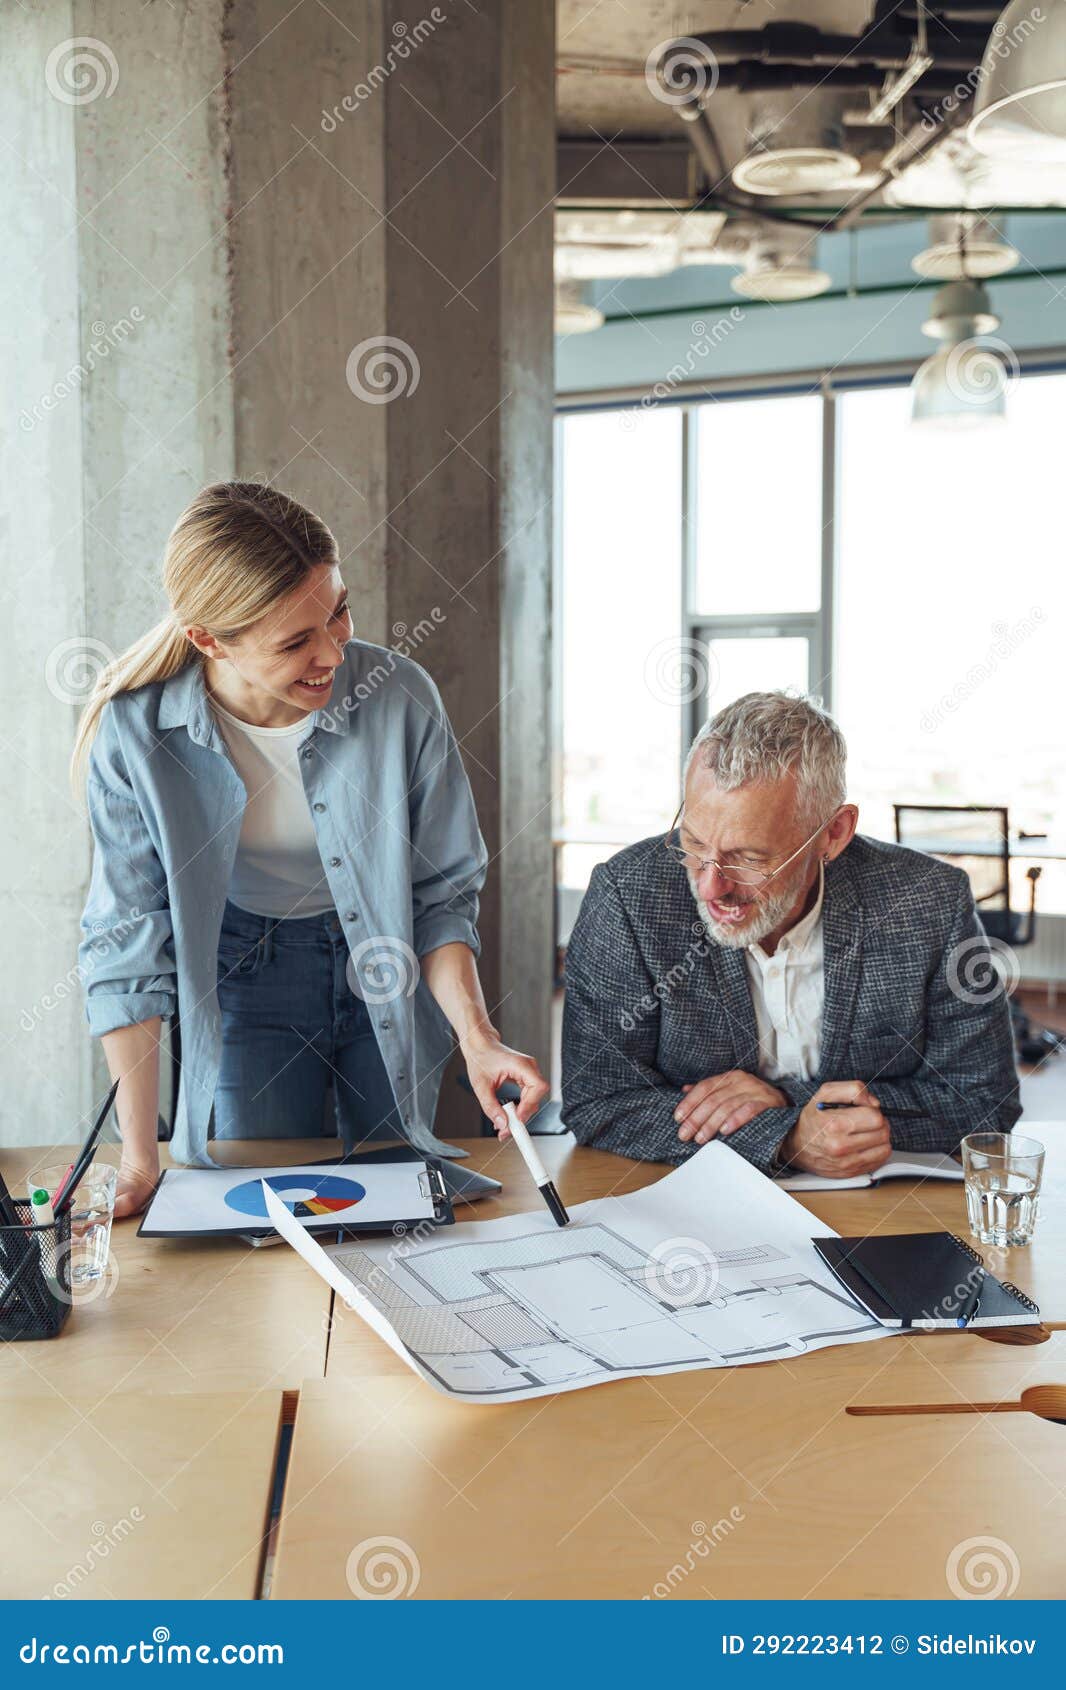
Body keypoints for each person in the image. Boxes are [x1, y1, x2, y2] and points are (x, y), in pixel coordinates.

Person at [73, 480, 548, 1217]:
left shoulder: (400, 696)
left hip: (383, 956)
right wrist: (139, 1158)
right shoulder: (135, 734)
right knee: (260, 1207)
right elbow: (127, 944)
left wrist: (478, 1039)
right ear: (208, 639)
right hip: (245, 972)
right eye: (296, 641)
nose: (333, 651)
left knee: (404, 1196)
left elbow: (438, 897)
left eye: (339, 613)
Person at [561, 691, 1020, 1178]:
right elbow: (598, 1099)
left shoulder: (928, 901)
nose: (710, 885)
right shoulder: (628, 894)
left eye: (749, 858)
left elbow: (986, 1102)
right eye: (693, 842)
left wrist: (786, 1100)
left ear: (833, 834)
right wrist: (785, 1138)